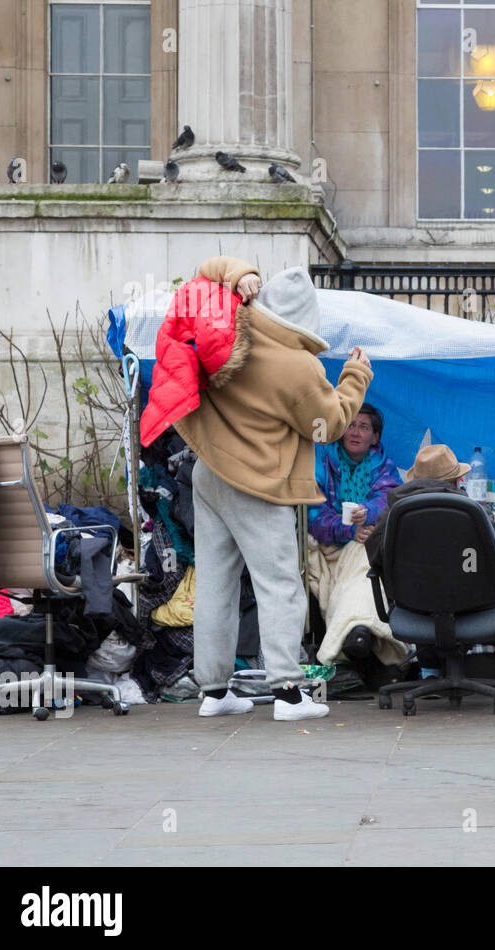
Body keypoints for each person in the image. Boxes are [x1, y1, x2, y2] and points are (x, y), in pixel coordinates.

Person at [141, 255, 371, 720]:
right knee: (280, 584)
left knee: (215, 586)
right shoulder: (296, 366)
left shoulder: (228, 324)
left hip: (207, 474)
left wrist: (239, 272)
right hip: (256, 484)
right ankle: (288, 693)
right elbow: (328, 425)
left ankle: (214, 691)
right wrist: (355, 377)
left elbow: (205, 269)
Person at [365, 444, 495, 604]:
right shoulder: (471, 512)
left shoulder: (392, 512)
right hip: (473, 602)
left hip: (414, 605)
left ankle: (437, 644)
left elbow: (375, 557)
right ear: (456, 481)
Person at [306, 402, 412, 675]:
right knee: (363, 550)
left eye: (364, 427)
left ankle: (354, 635)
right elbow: (312, 514)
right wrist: (349, 530)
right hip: (327, 544)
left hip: (362, 543)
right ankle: (359, 635)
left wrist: (370, 514)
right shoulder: (321, 460)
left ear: (375, 437)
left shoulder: (383, 466)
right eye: (350, 425)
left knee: (367, 555)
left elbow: (388, 500)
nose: (355, 432)